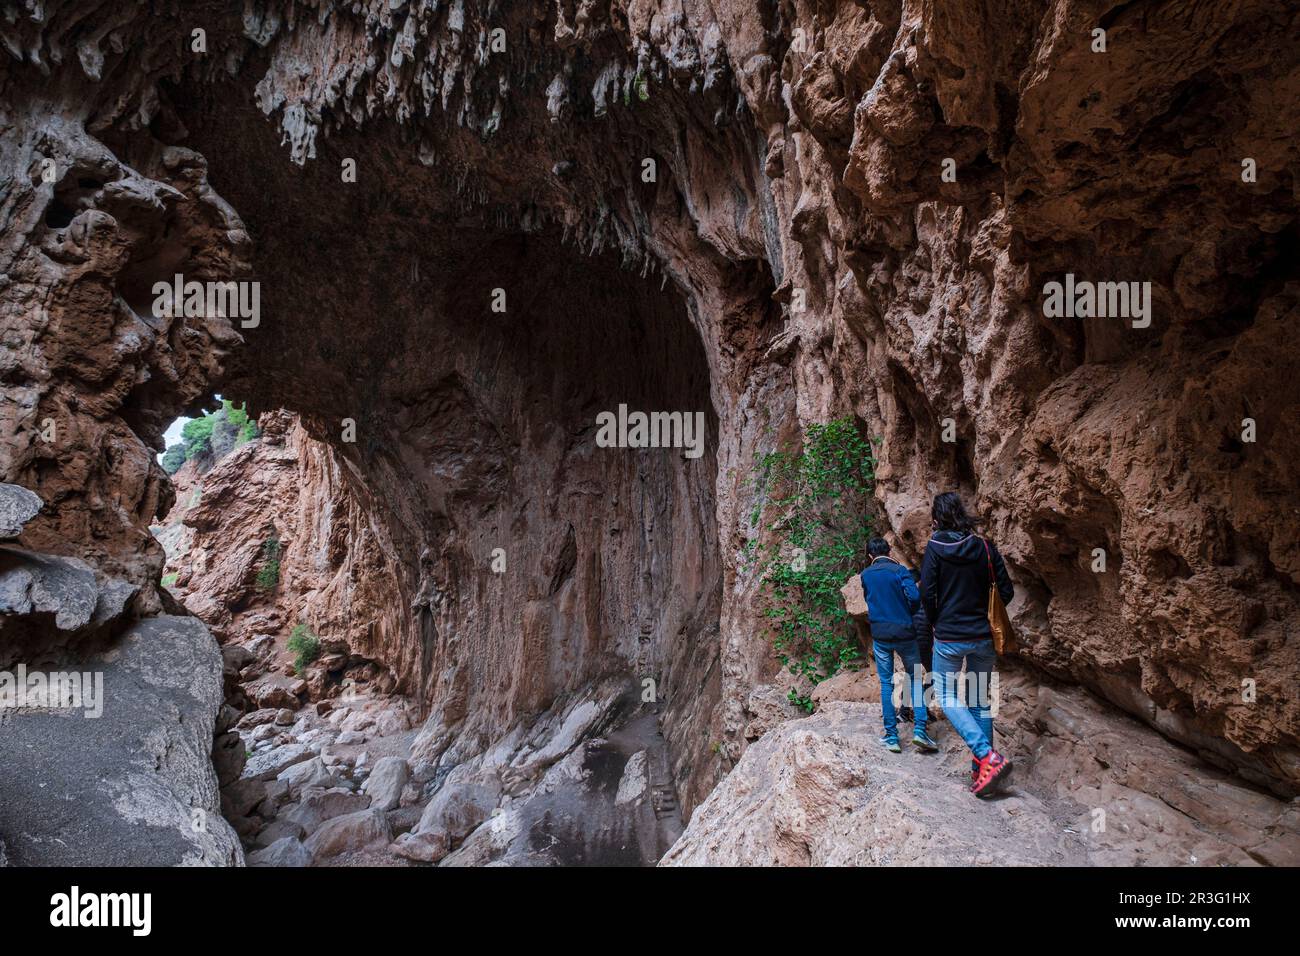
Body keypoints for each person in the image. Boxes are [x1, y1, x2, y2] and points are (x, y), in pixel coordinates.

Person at [919, 491, 1015, 798]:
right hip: (983, 637)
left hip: (948, 637)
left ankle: (987, 757)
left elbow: (928, 595)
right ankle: (982, 772)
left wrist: (936, 622)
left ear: (936, 519)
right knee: (979, 702)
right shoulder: (985, 547)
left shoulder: (935, 548)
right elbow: (1007, 592)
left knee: (946, 696)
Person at [861, 537, 938, 754]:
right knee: (914, 679)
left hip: (880, 633)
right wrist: (908, 613)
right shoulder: (900, 571)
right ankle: (921, 731)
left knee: (886, 683)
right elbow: (914, 597)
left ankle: (892, 737)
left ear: (870, 556)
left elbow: (869, 599)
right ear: (889, 551)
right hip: (905, 631)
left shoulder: (866, 575)